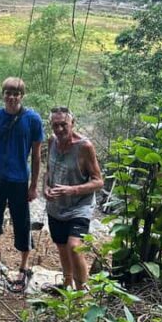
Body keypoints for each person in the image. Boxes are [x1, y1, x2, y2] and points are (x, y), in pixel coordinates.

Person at [0, 77, 44, 293]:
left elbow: (36, 156)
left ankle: (24, 266)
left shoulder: (33, 120)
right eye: (8, 92)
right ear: (3, 94)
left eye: (16, 93)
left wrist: (34, 185)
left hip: (19, 179)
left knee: (22, 222)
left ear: (22, 96)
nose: (11, 97)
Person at [44, 106, 103, 290]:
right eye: (56, 125)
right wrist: (45, 187)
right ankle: (67, 284)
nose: (60, 129)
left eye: (64, 125)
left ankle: (82, 293)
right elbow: (48, 171)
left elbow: (98, 181)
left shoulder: (84, 147)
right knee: (62, 246)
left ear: (72, 124)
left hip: (79, 205)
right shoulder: (51, 141)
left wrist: (73, 190)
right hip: (56, 206)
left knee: (74, 247)